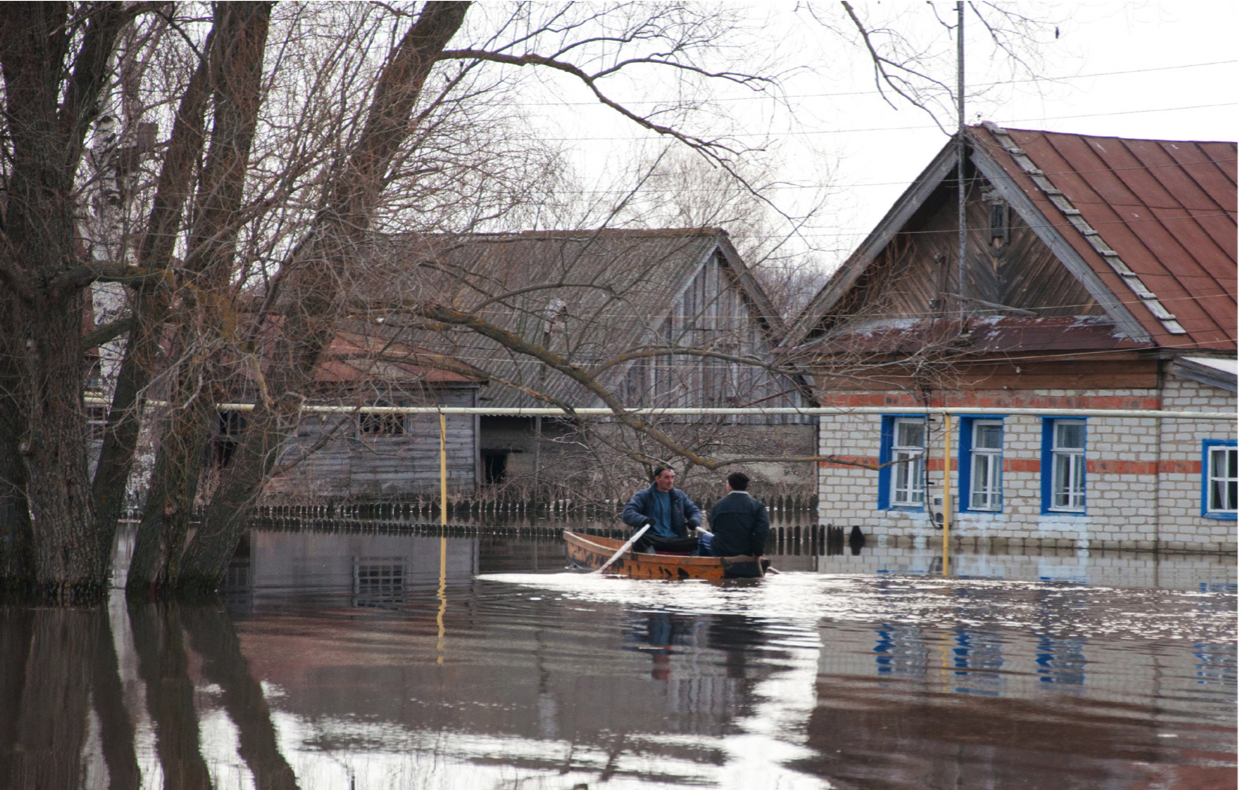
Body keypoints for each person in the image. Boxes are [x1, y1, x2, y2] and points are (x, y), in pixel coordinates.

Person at [621, 465, 703, 553]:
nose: (670, 481)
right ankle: (651, 562)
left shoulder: (679, 496)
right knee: (639, 539)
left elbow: (695, 511)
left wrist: (694, 520)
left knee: (700, 543)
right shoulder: (644, 495)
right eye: (666, 478)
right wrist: (644, 520)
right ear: (657, 478)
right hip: (652, 539)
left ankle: (693, 565)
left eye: (672, 477)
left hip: (675, 540)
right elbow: (628, 513)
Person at [707, 472, 769, 576]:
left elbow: (713, 527)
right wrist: (757, 552)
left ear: (730, 486)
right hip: (747, 552)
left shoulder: (718, 506)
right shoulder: (757, 506)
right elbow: (762, 531)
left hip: (722, 551)